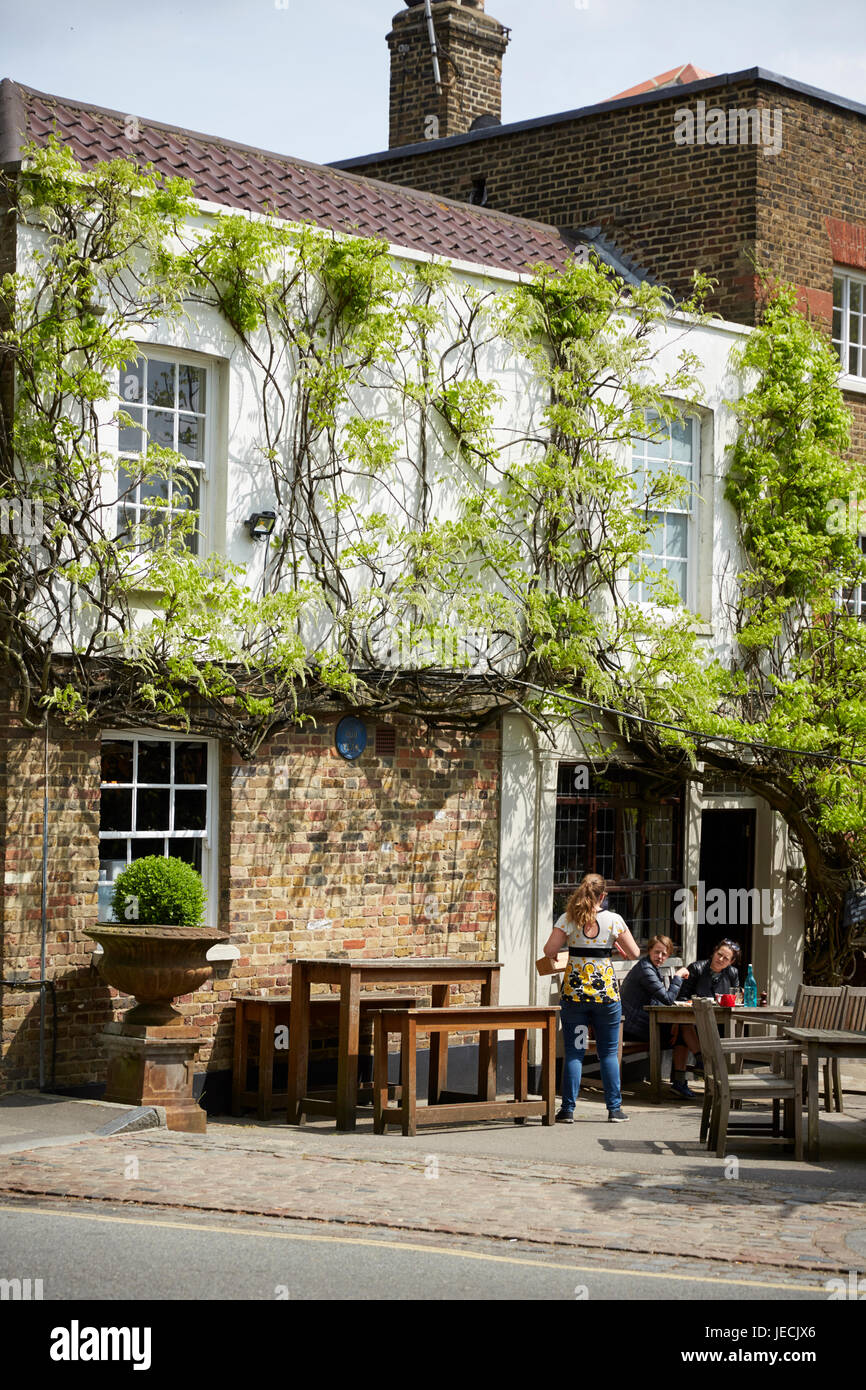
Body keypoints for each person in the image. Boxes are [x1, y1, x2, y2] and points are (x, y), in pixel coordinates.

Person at [542, 872, 641, 1123]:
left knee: (575, 1051)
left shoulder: (568, 919)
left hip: (574, 994)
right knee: (608, 1052)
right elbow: (634, 952)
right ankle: (614, 1109)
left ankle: (567, 1109)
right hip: (605, 995)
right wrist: (612, 947)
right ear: (603, 895)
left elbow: (549, 950)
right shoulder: (614, 920)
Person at [669, 938, 742, 1099]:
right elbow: (681, 997)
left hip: (720, 1023)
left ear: (731, 962)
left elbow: (735, 998)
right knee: (683, 1026)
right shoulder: (696, 968)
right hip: (693, 1019)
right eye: (719, 954)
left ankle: (682, 1080)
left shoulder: (732, 973)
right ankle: (701, 1060)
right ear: (714, 952)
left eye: (726, 958)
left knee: (685, 1029)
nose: (720, 959)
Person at [620, 935, 690, 1043]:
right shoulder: (646, 970)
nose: (660, 956)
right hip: (631, 1028)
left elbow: (659, 1001)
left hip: (638, 1024)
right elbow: (668, 999)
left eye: (664, 954)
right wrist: (678, 975)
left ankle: (696, 1057)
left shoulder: (649, 967)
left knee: (683, 1028)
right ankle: (698, 1058)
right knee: (683, 1031)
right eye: (657, 952)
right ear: (649, 950)